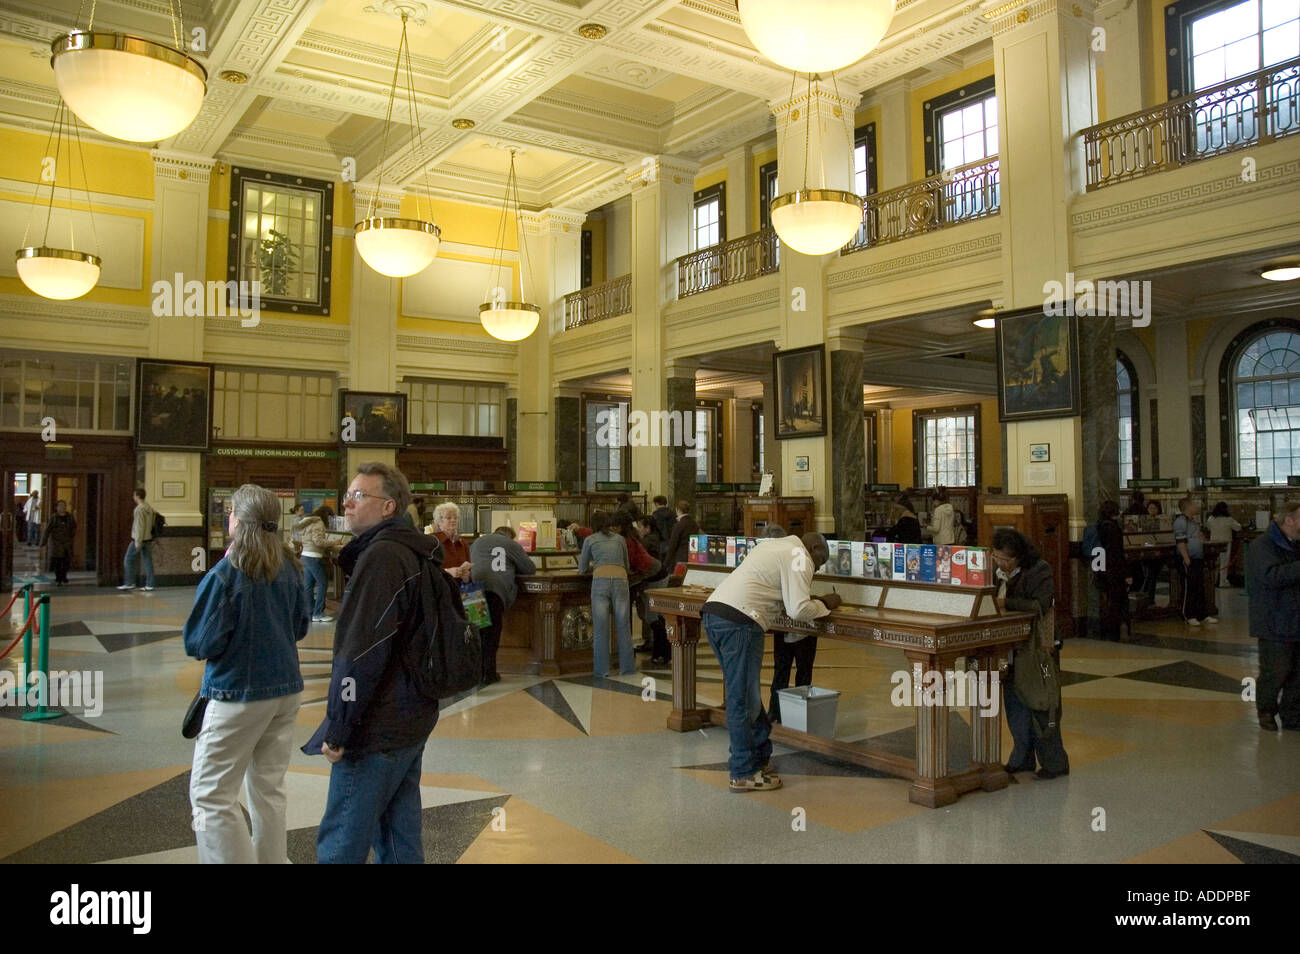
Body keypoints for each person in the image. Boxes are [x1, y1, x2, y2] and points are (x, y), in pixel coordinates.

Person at [304, 462, 444, 864]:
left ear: (388, 507)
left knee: (342, 842)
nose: (346, 503)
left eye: (358, 496)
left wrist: (339, 726)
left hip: (376, 727)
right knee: (399, 837)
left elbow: (360, 652)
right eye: (348, 495)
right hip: (410, 716)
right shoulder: (413, 550)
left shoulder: (381, 558)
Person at [186, 483, 309, 864]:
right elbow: (301, 626)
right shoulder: (291, 567)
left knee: (211, 794)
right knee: (268, 787)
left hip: (238, 694)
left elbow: (200, 643)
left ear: (237, 520)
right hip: (286, 691)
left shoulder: (227, 572)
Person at [702, 532, 840, 792]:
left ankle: (759, 758)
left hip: (714, 614)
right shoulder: (800, 554)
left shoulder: (775, 546)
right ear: (814, 547)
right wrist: (824, 604)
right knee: (742, 700)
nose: (815, 570)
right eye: (818, 564)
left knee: (748, 697)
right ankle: (743, 772)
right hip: (741, 622)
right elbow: (798, 609)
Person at [992, 527, 1070, 779]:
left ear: (1019, 557)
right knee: (1014, 702)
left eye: (1007, 560)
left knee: (1040, 702)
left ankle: (1054, 763)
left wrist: (1007, 603)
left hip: (1037, 649)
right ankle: (1022, 757)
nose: (1001, 564)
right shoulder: (993, 572)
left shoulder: (1039, 570)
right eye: (997, 558)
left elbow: (1040, 604)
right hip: (1009, 647)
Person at [1245, 502, 1300, 731]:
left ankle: (1292, 715)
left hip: (1295, 618)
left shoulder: (1295, 544)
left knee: (1297, 672)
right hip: (1273, 620)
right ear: (1289, 520)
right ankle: (1265, 710)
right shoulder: (1262, 546)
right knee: (1276, 670)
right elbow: (1271, 576)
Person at [469, 525, 536, 684]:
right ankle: (489, 673)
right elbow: (529, 568)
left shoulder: (477, 542)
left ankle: (476, 672)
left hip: (473, 590)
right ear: (510, 536)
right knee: (492, 633)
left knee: (477, 631)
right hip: (495, 591)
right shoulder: (511, 544)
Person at [577, 511, 634, 677]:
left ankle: (602, 670)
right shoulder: (619, 539)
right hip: (621, 580)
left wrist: (595, 565)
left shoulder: (590, 539)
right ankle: (628, 668)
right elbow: (627, 565)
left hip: (600, 581)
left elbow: (581, 569)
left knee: (601, 627)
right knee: (623, 625)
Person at [1173, 496, 1214, 625]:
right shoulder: (1180, 521)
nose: (1196, 506)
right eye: (1194, 504)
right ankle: (1188, 614)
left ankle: (1202, 614)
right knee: (1189, 587)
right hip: (1188, 559)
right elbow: (1180, 541)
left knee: (1199, 586)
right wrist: (1186, 557)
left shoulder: (1194, 521)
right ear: (1187, 506)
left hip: (1197, 558)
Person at [1093, 500, 1130, 641]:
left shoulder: (1098, 525)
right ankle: (1116, 631)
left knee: (1106, 600)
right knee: (1117, 600)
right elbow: (1117, 552)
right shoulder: (1113, 528)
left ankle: (1105, 630)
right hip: (1114, 569)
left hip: (1100, 567)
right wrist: (1126, 572)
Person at [296, 505, 339, 623]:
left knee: (308, 586)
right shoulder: (318, 522)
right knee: (323, 584)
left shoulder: (307, 521)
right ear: (326, 515)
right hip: (314, 556)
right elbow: (318, 541)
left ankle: (310, 613)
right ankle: (318, 613)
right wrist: (333, 542)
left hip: (305, 555)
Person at [118, 488, 156, 591]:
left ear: (138, 496)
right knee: (148, 561)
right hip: (147, 538)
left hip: (139, 539)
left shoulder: (139, 509)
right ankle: (150, 584)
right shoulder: (149, 508)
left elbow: (139, 526)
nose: (133, 497)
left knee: (128, 559)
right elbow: (151, 524)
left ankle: (129, 582)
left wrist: (137, 542)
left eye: (134, 495)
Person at [430, 502, 473, 581]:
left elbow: (469, 574)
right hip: (441, 589)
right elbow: (427, 572)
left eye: (455, 517)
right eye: (449, 518)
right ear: (439, 521)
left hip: (460, 590)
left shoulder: (463, 543)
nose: (453, 520)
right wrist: (448, 572)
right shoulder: (432, 541)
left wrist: (466, 576)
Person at [41, 499, 77, 586]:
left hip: (67, 542)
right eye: (60, 506)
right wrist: (43, 541)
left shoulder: (69, 517)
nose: (62, 507)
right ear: (56, 508)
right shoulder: (53, 517)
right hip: (56, 543)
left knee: (66, 561)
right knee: (58, 561)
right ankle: (58, 577)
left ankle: (64, 576)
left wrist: (71, 537)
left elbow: (74, 527)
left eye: (64, 505)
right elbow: (48, 530)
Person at [1207, 502, 1242, 588]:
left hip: (1213, 543)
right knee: (1224, 563)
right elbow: (1238, 527)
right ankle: (1222, 582)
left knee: (1214, 563)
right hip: (1225, 543)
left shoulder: (1211, 519)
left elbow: (1208, 527)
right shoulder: (1228, 519)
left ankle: (1213, 581)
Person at [662, 499, 700, 571]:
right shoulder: (694, 524)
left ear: (677, 510)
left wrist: (666, 563)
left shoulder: (678, 525)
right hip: (693, 555)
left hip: (680, 557)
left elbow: (673, 544)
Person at [650, 495, 676, 559]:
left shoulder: (655, 514)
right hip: (672, 539)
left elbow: (654, 527)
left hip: (660, 541)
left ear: (656, 503)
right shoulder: (672, 513)